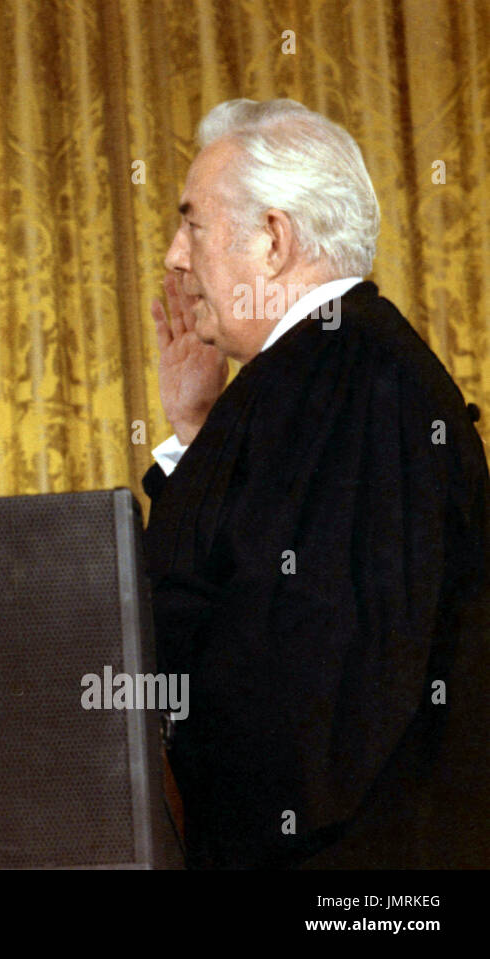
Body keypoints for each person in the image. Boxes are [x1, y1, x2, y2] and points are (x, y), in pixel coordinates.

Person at [144, 98, 490, 868]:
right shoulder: (313, 374)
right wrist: (200, 433)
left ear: (272, 239)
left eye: (192, 223)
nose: (174, 254)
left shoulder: (354, 378)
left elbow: (325, 688)